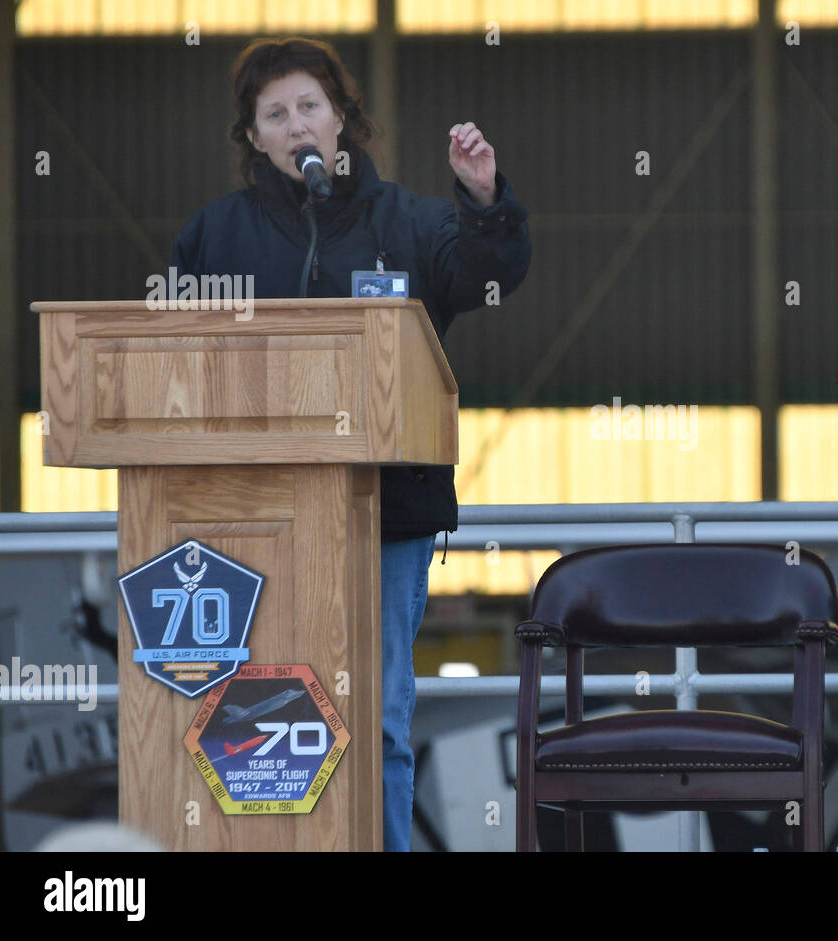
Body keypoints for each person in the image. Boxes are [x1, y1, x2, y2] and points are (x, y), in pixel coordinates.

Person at [169, 36, 532, 851]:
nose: (296, 124)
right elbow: (172, 362)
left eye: (309, 106)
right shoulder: (212, 239)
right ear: (253, 138)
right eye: (275, 113)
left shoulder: (406, 220)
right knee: (252, 716)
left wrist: (483, 200)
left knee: (377, 717)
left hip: (387, 516)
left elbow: (488, 274)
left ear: (342, 121)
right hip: (247, 522)